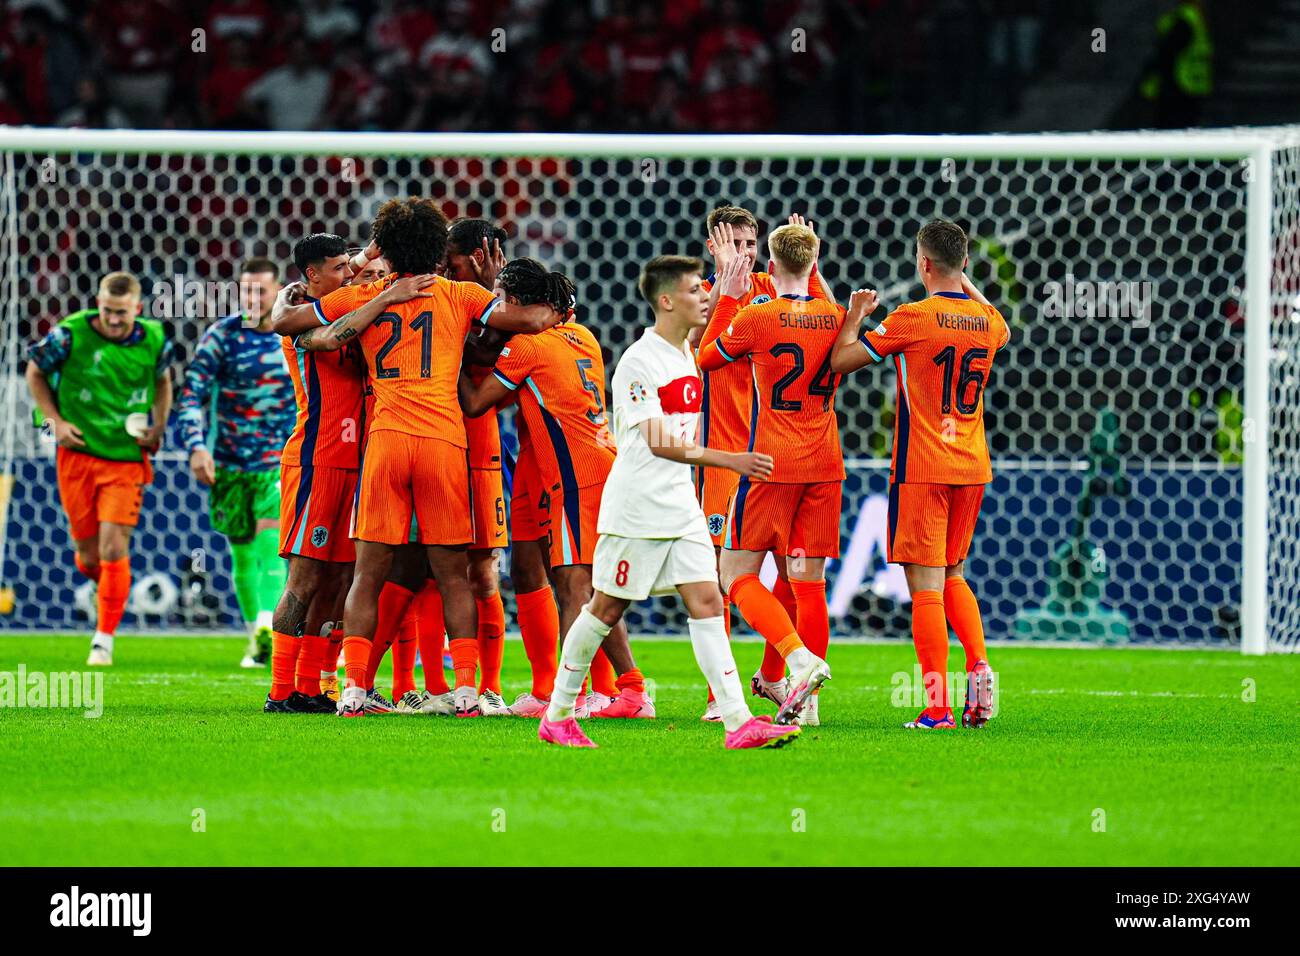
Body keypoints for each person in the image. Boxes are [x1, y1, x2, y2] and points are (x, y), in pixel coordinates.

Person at [273, 197, 562, 718]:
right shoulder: (460, 293)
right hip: (442, 443)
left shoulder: (365, 295)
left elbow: (291, 323)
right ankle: (470, 692)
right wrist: (532, 302)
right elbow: (531, 321)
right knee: (454, 575)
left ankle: (355, 692)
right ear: (437, 249)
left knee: (367, 574)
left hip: (383, 444)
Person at [536, 254, 798, 750]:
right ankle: (558, 715)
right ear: (665, 300)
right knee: (604, 609)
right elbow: (658, 441)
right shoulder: (639, 362)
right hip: (637, 508)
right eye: (696, 290)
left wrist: (733, 288)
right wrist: (729, 459)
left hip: (680, 505)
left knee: (707, 601)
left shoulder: (684, 355)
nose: (705, 296)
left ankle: (738, 722)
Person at [830, 219, 1007, 729]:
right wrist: (966, 285)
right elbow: (1002, 324)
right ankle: (978, 664)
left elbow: (842, 361)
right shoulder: (987, 322)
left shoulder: (912, 318)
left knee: (924, 586)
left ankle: (937, 707)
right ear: (966, 264)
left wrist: (854, 316)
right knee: (954, 574)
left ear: (923, 263)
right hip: (972, 465)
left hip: (922, 465)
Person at [459, 257, 638, 719]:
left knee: (573, 587)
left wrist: (449, 351)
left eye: (501, 296)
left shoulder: (528, 348)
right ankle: (631, 691)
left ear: (516, 302)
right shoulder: (583, 337)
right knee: (588, 588)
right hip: (603, 467)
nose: (497, 303)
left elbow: (477, 403)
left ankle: (570, 697)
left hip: (575, 479)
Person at [265, 234, 431, 713]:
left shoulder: (350, 304)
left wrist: (372, 267)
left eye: (348, 264)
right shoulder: (299, 321)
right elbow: (334, 332)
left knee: (339, 580)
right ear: (311, 276)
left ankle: (312, 686)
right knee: (305, 579)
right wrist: (383, 295)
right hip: (315, 462)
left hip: (359, 462)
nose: (349, 273)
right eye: (337, 268)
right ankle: (280, 692)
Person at [694, 205, 834, 720]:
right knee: (718, 579)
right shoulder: (700, 296)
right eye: (733, 245)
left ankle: (780, 676)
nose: (744, 255)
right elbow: (687, 359)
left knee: (784, 574)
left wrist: (809, 265)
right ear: (713, 246)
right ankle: (722, 696)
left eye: (751, 245)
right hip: (726, 458)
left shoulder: (771, 290)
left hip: (773, 454)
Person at [25, 272, 172, 665]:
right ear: (98, 303)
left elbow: (163, 381)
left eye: (121, 313)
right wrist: (52, 420)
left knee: (113, 546)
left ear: (136, 309)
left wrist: (159, 423)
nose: (112, 319)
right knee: (89, 556)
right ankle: (108, 588)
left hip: (125, 457)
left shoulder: (155, 339)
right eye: (107, 310)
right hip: (77, 455)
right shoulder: (70, 334)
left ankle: (103, 639)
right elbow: (35, 372)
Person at [178, 258, 294, 669]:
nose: (252, 299)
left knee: (270, 546)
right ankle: (256, 639)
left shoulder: (291, 332)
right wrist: (196, 446)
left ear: (276, 289)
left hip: (278, 461)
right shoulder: (223, 337)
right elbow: (191, 395)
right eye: (245, 291)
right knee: (242, 556)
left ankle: (268, 629)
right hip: (228, 463)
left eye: (260, 291)